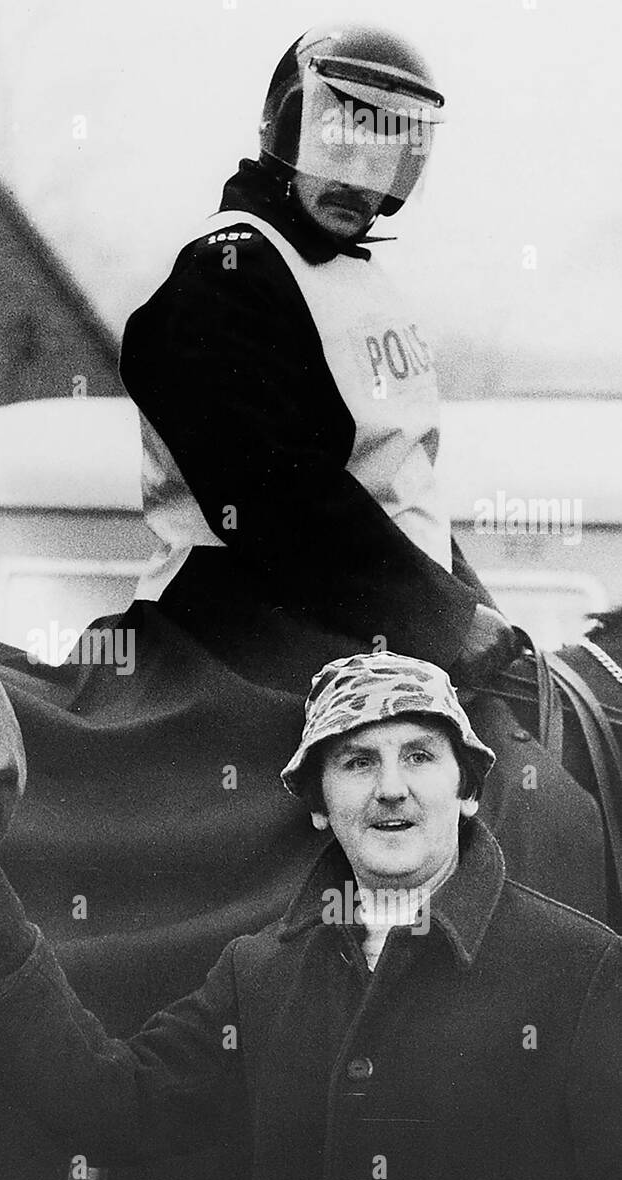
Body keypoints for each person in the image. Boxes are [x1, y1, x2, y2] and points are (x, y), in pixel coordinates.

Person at [0, 652, 622, 1180]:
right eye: (356, 762)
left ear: (466, 789)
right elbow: (113, 1110)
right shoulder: (259, 975)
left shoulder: (581, 970)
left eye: (419, 755)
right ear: (318, 803)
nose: (391, 789)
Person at [121, 22, 519, 687]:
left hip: (372, 619)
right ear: (283, 132)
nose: (358, 180)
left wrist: (477, 606)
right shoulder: (224, 275)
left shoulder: (353, 277)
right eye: (338, 145)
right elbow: (279, 499)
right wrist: (443, 618)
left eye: (383, 156)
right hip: (244, 626)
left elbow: (398, 489)